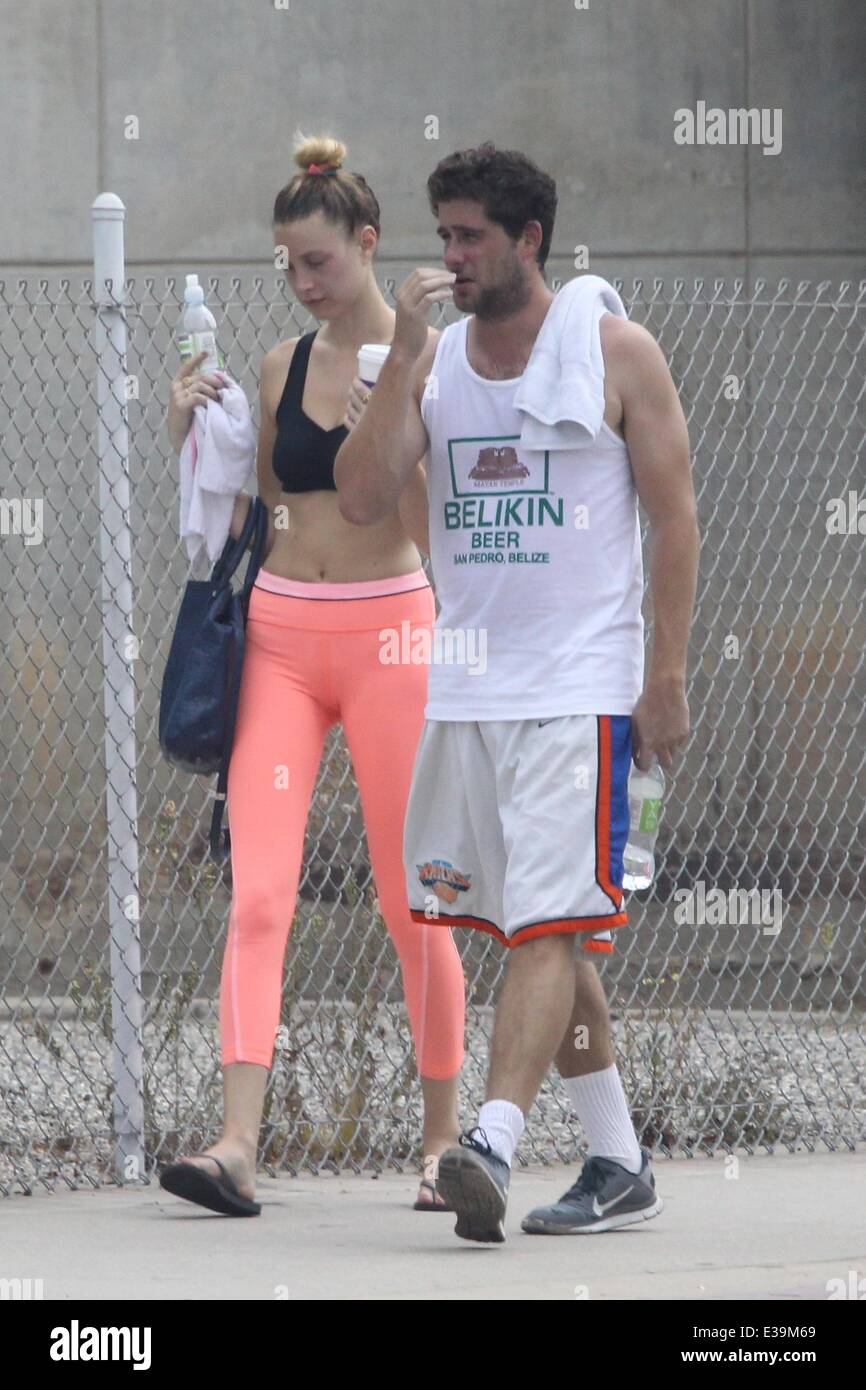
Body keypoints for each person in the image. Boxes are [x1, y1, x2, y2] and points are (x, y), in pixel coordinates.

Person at [335, 141, 700, 1242]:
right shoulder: (428, 359)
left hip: (581, 688)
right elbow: (361, 500)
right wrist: (400, 360)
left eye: (468, 236)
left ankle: (487, 1135)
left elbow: (674, 515)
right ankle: (618, 1159)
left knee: (550, 919)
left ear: (526, 241)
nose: (448, 256)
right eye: (440, 234)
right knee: (531, 925)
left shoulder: (613, 351)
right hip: (469, 689)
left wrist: (665, 674)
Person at [159, 133, 466, 1216]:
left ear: (369, 243)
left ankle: (440, 1144)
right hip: (284, 635)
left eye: (318, 261)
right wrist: (192, 435)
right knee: (258, 894)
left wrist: (411, 377)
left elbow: (423, 521)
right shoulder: (286, 365)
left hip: (390, 631)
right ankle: (236, 1145)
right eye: (286, 263)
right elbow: (257, 517)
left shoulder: (433, 354)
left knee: (411, 897)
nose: (301, 281)